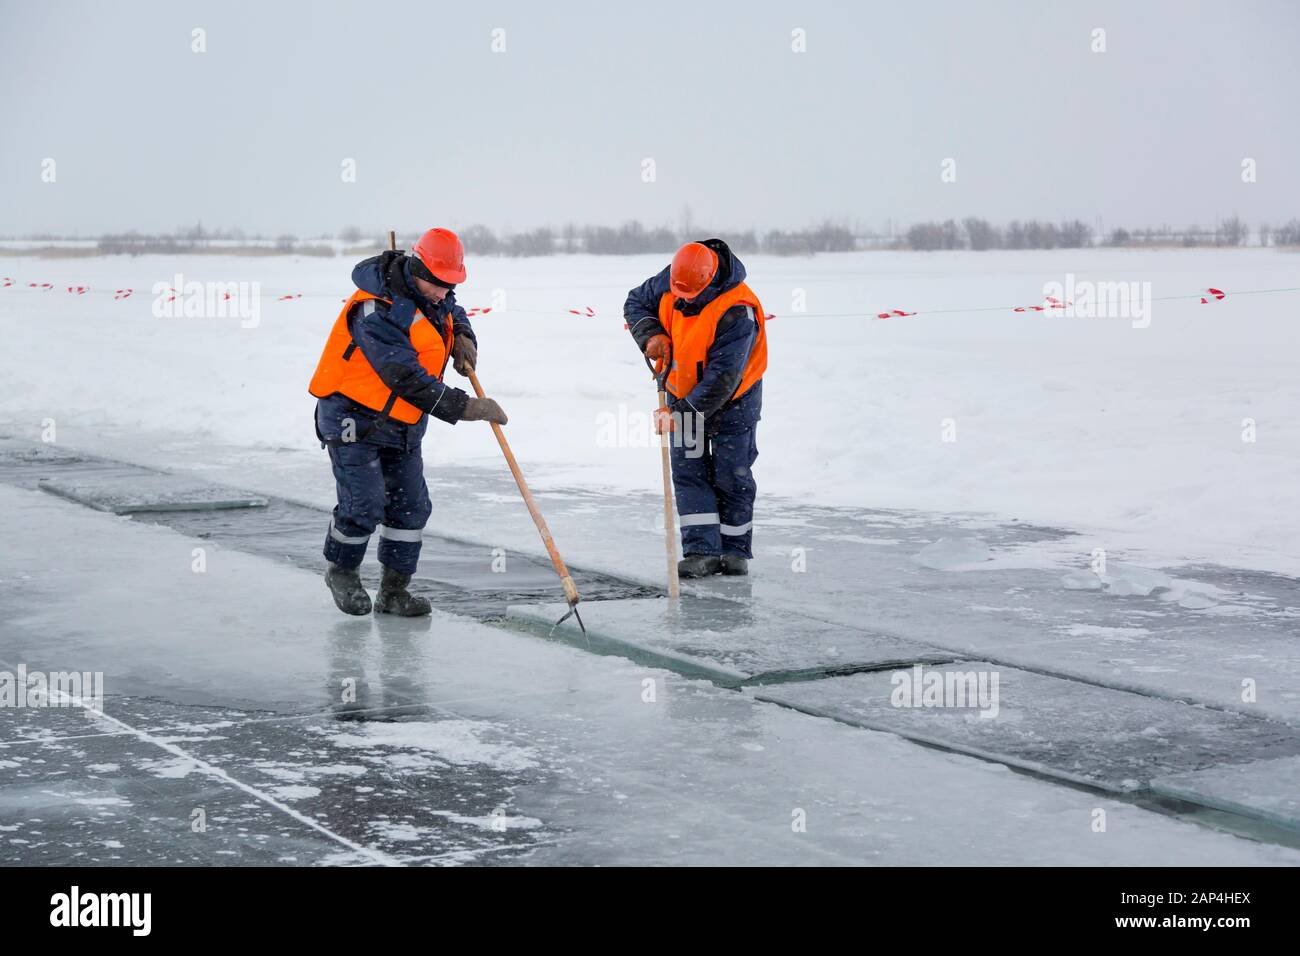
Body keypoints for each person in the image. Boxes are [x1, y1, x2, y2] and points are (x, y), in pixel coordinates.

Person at [307, 228, 507, 615]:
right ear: (417, 269)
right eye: (438, 284)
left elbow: (452, 310)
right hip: (353, 418)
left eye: (452, 285)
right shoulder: (374, 309)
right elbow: (402, 375)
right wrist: (465, 408)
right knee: (363, 503)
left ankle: (394, 592)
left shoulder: (433, 293)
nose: (444, 293)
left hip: (402, 423)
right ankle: (341, 572)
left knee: (411, 507)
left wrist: (464, 337)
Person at [622, 238, 767, 577]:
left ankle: (734, 551)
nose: (683, 300)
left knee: (733, 475)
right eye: (678, 293)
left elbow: (722, 378)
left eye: (691, 295)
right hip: (679, 391)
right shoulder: (674, 278)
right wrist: (650, 334)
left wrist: (679, 415)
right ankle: (701, 551)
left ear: (709, 280)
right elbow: (635, 302)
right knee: (690, 474)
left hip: (735, 402)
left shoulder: (737, 310)